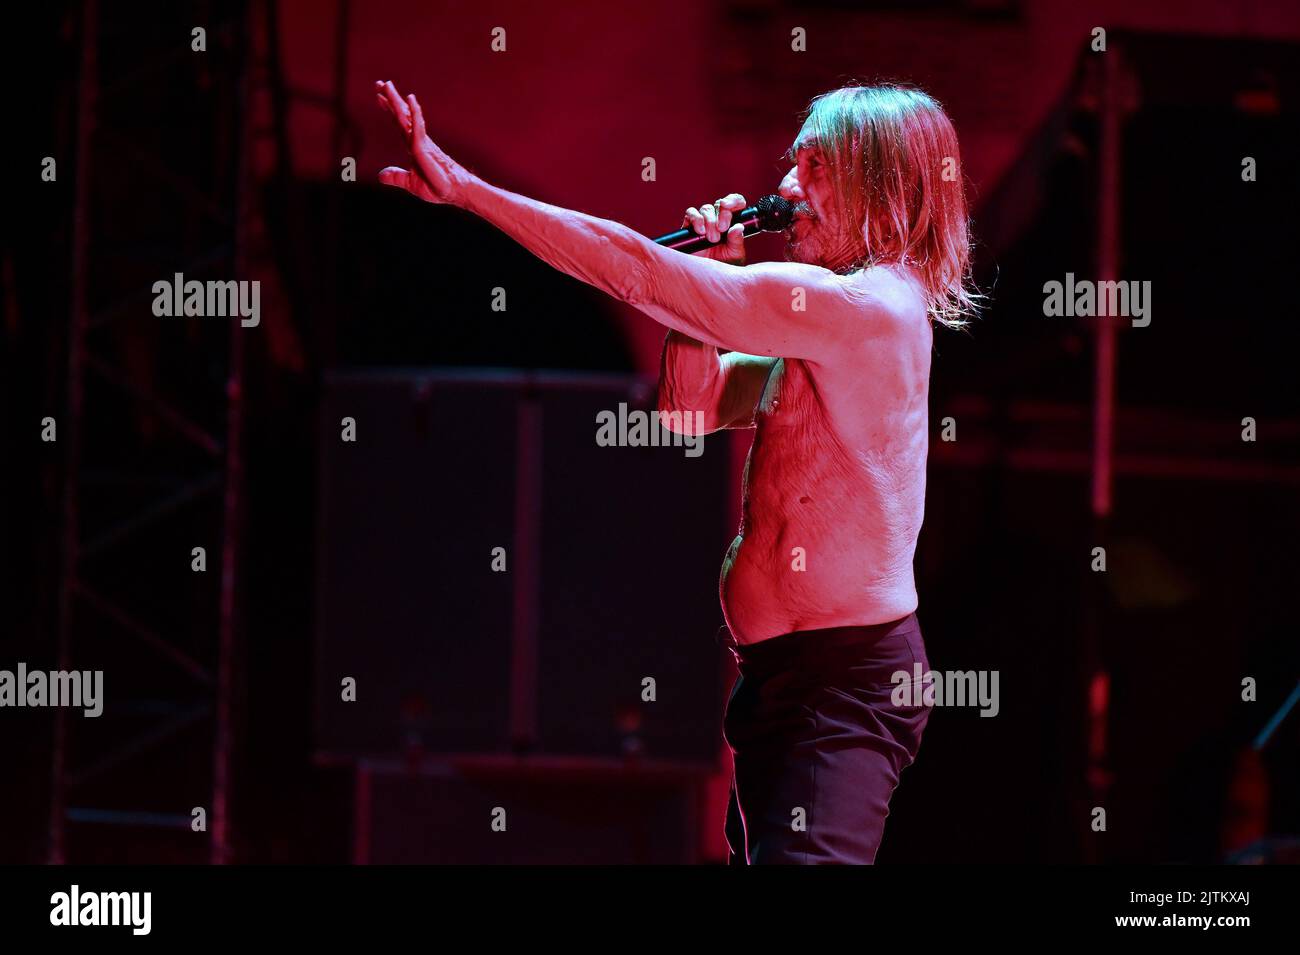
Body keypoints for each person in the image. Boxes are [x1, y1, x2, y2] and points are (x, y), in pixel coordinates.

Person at [375, 80, 977, 864]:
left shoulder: (870, 311)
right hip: (777, 680)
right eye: (794, 166)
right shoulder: (821, 330)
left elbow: (634, 269)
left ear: (884, 184)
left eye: (817, 169)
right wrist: (702, 297)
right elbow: (687, 411)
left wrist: (468, 192)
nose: (789, 189)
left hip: (844, 684)